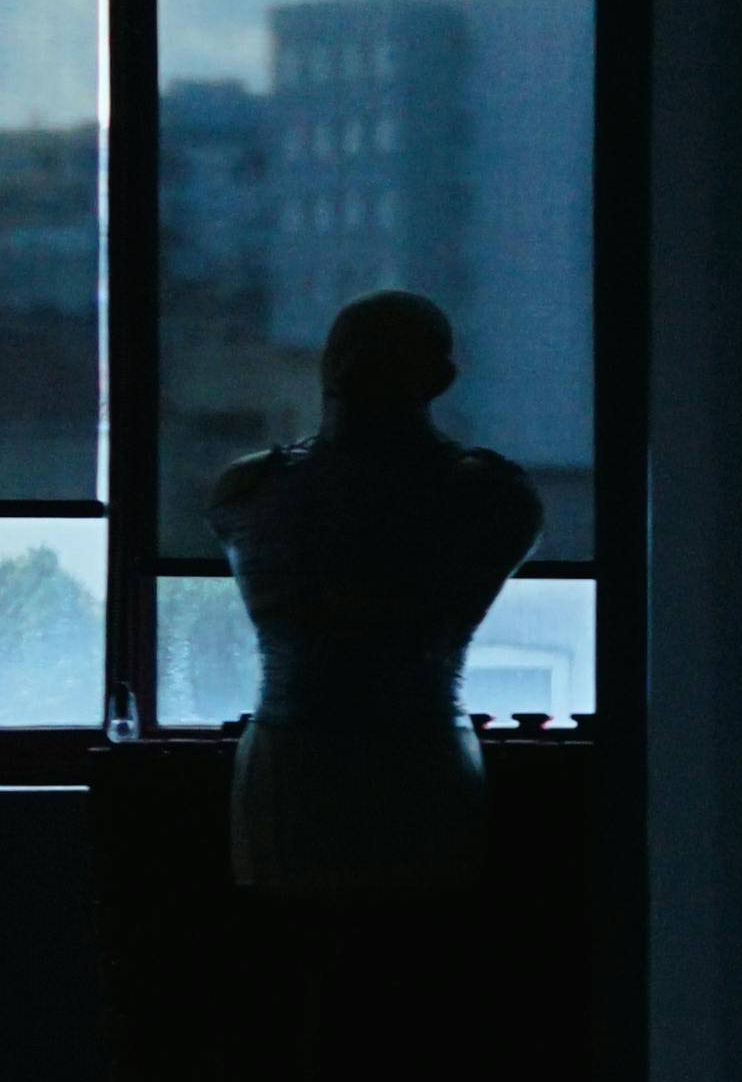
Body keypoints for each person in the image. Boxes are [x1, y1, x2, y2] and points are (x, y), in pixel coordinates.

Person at [213, 288, 545, 899]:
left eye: (368, 350)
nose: (347, 365)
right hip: (377, 762)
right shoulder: (488, 496)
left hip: (333, 765)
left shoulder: (248, 489)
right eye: (347, 348)